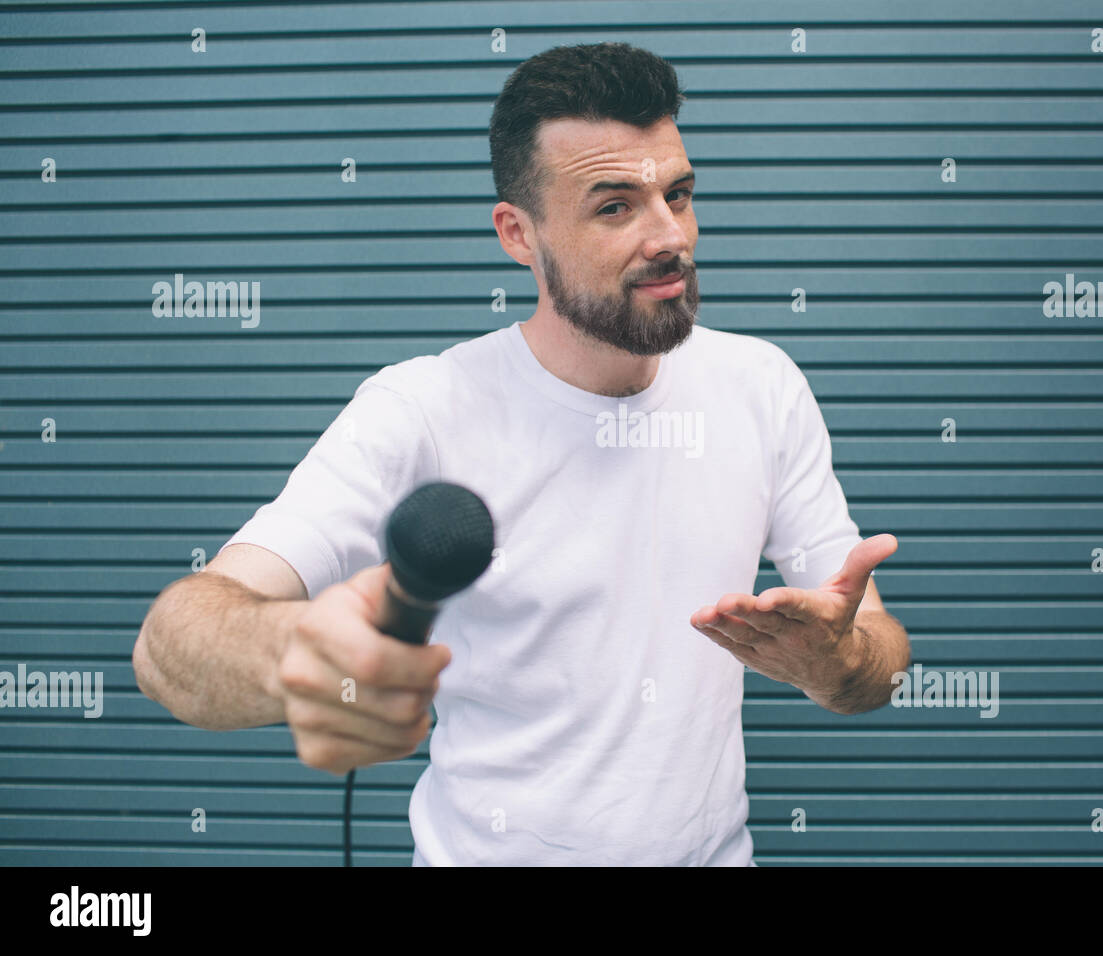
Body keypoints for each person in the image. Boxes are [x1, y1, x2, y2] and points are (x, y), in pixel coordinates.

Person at [132, 41, 910, 867]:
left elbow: (880, 652)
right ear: (518, 233)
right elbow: (169, 647)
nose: (668, 237)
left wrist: (839, 663)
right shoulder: (422, 410)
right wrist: (298, 654)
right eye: (614, 207)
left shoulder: (762, 385)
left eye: (677, 195)